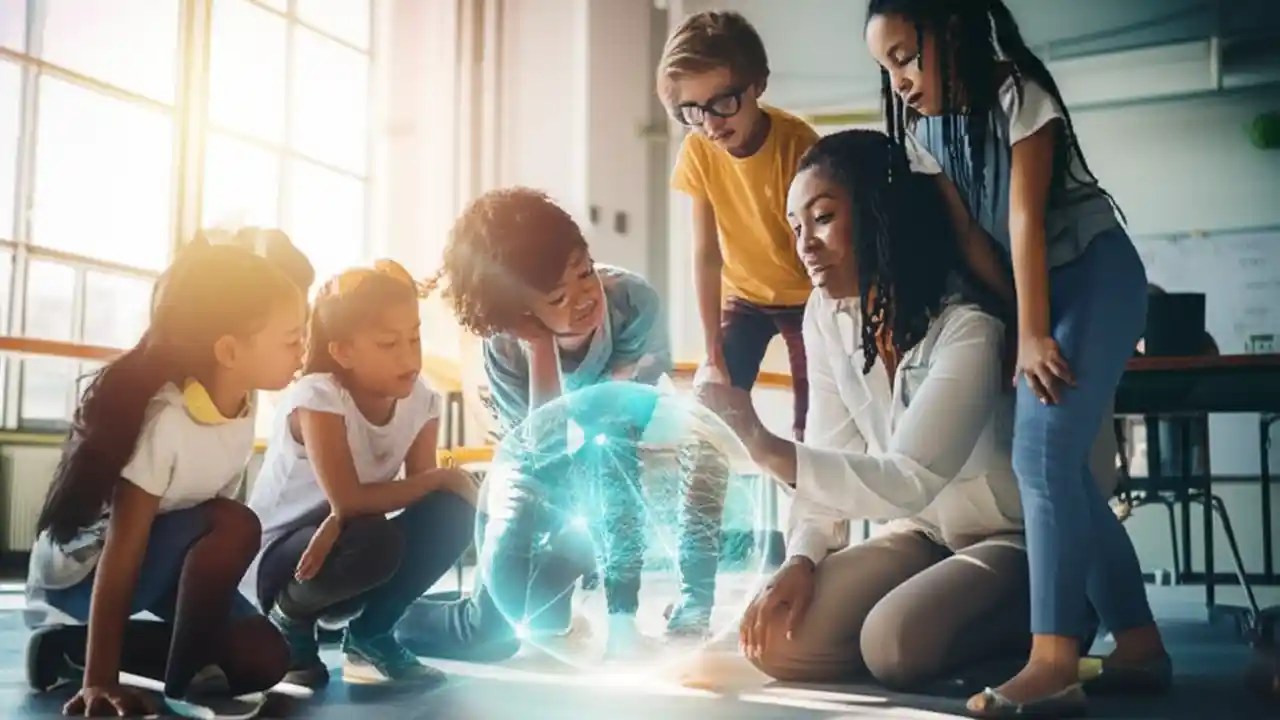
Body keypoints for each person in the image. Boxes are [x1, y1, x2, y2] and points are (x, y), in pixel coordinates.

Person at [700, 129, 1113, 692]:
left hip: (1008, 534)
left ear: (877, 214)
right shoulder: (825, 313)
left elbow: (909, 477)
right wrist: (801, 557)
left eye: (822, 218)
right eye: (795, 227)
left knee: (893, 644)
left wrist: (762, 443)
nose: (805, 244)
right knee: (774, 637)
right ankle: (932, 632)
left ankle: (1066, 616)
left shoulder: (968, 323)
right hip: (921, 533)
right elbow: (832, 449)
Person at [863, 1, 1169, 715]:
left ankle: (1053, 660)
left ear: (951, 30)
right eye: (886, 67)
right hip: (1027, 289)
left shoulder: (1018, 94)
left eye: (908, 54)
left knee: (1041, 460)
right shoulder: (921, 133)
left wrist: (1034, 333)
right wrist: (1013, 324)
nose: (900, 79)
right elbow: (974, 241)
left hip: (1093, 273)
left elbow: (1025, 219)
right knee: (1057, 470)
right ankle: (1142, 645)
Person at [396, 187, 726, 661]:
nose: (584, 298)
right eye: (557, 296)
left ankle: (623, 622)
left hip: (607, 472)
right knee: (489, 634)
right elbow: (538, 451)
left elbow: (622, 429)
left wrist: (621, 620)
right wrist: (540, 348)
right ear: (520, 309)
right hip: (536, 483)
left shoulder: (632, 303)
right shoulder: (507, 346)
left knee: (550, 615)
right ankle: (375, 618)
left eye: (585, 272)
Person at [24, 241, 305, 718]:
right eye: (291, 338)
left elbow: (203, 543)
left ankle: (64, 648)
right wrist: (99, 682)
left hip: (163, 560)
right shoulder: (167, 421)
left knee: (266, 659)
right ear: (230, 350)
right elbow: (121, 556)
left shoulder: (243, 404)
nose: (304, 349)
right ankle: (183, 679)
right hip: (85, 579)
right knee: (235, 522)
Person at [244, 259, 478, 688]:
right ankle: (288, 620)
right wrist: (443, 478)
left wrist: (444, 488)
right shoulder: (317, 395)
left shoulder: (422, 400)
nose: (409, 356)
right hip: (282, 559)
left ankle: (371, 634)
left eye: (414, 337)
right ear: (343, 351)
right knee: (375, 536)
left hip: (351, 547)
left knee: (452, 511)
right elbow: (348, 499)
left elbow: (419, 498)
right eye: (389, 344)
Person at [658, 10, 818, 440]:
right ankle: (698, 507)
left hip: (808, 297)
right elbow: (706, 255)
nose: (710, 124)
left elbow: (826, 246)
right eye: (693, 110)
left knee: (815, 421)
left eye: (723, 103)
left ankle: (818, 500)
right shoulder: (698, 152)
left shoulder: (799, 146)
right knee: (708, 414)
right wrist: (712, 352)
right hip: (746, 296)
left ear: (757, 85)